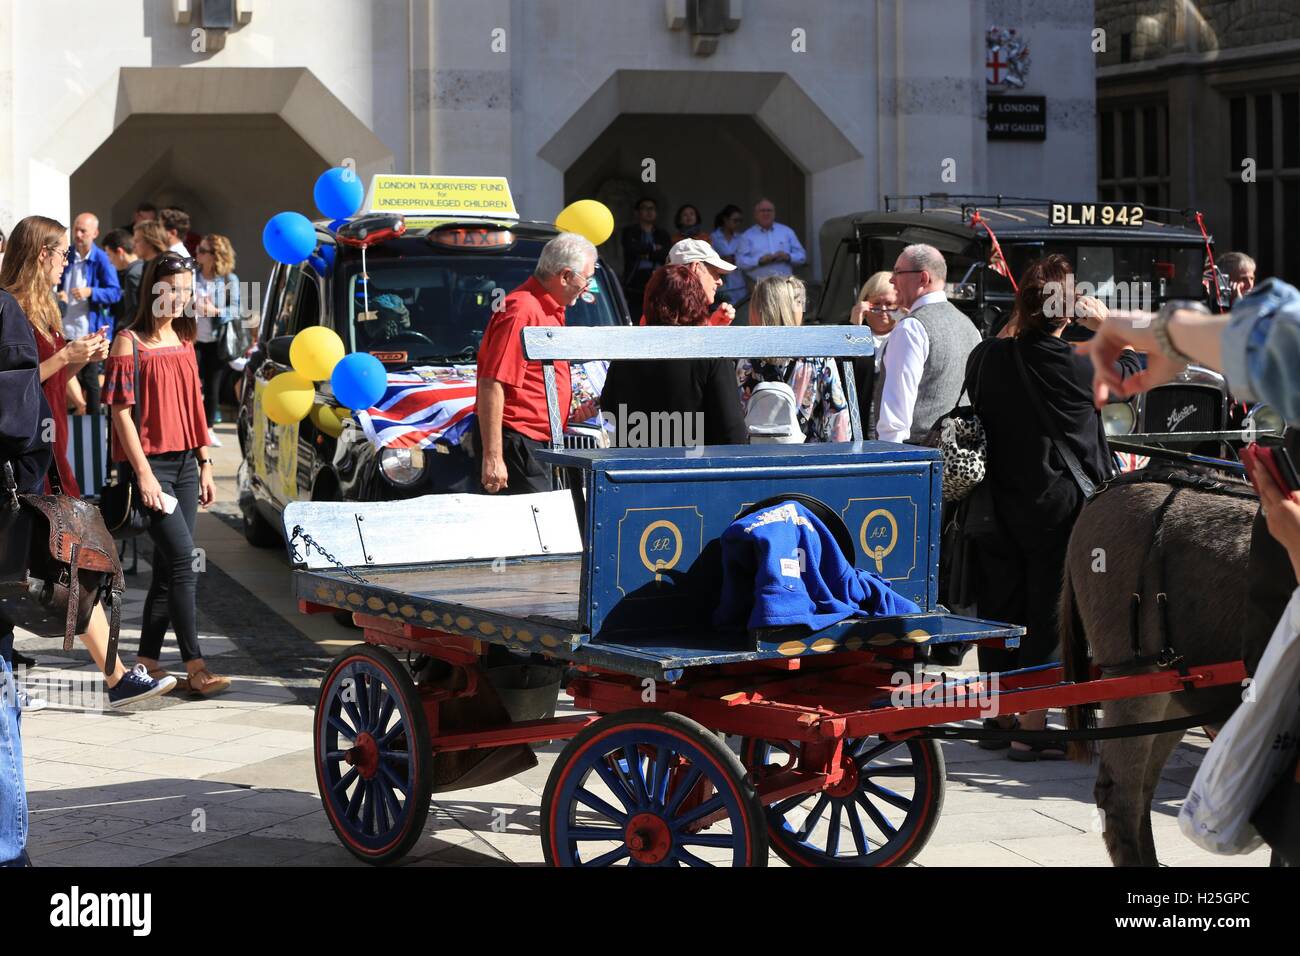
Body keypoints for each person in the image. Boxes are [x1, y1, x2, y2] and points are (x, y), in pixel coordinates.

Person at [968, 254, 1139, 759]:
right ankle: (1031, 725)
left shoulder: (985, 356)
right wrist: (1107, 323)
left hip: (992, 503)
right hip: (1057, 505)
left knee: (1000, 610)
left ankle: (999, 713)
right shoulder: (1076, 362)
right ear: (1067, 312)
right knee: (1048, 610)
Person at [0, 219, 175, 707]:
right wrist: (64, 359)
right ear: (40, 255)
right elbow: (14, 385)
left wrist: (80, 360)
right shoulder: (9, 307)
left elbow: (59, 390)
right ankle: (115, 676)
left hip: (53, 451)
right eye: (59, 256)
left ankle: (101, 674)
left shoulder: (43, 310)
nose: (65, 266)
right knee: (61, 562)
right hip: (28, 460)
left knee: (63, 561)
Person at [102, 252, 229, 696]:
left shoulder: (186, 341)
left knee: (165, 568)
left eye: (187, 292)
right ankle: (196, 665)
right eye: (172, 290)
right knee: (183, 562)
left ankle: (147, 663)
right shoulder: (127, 342)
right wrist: (143, 475)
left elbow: (195, 408)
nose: (180, 299)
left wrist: (206, 464)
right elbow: (121, 414)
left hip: (187, 468)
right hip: (151, 468)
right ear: (153, 290)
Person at [475, 233, 596, 494]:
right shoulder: (522, 310)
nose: (587, 287)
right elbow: (492, 382)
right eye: (587, 279)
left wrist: (569, 410)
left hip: (538, 443)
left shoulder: (546, 307)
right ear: (565, 276)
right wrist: (494, 457)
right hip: (520, 444)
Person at [601, 264, 748, 447]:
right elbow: (732, 431)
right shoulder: (710, 352)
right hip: (693, 469)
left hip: (635, 470)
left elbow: (609, 413)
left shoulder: (627, 353)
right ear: (696, 301)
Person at [875, 244, 981, 444]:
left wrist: (890, 465)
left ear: (923, 278)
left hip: (917, 460)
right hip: (960, 460)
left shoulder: (911, 328)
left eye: (897, 272)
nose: (891, 279)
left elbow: (895, 417)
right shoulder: (970, 327)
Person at [737, 275, 850, 443]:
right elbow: (837, 418)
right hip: (808, 459)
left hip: (755, 457)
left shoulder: (744, 357)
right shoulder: (818, 358)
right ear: (786, 308)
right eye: (799, 302)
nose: (803, 309)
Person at [58, 213, 121, 411]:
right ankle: (70, 419)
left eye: (83, 230)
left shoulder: (101, 258)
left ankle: (92, 424)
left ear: (95, 233)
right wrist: (60, 293)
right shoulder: (67, 252)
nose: (77, 234)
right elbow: (58, 281)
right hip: (65, 325)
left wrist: (91, 291)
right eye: (75, 229)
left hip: (88, 328)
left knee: (91, 379)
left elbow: (115, 292)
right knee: (64, 376)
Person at [193, 233, 240, 445]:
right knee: (192, 384)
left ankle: (208, 428)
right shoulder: (192, 276)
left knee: (212, 386)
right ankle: (192, 427)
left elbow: (236, 308)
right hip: (192, 338)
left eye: (202, 251)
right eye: (198, 249)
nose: (197, 253)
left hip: (216, 340)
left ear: (215, 255)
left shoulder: (229, 279)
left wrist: (216, 311)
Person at [850, 270, 900, 438]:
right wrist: (854, 326)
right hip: (859, 421)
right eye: (876, 304)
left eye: (889, 304)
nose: (883, 310)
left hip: (893, 420)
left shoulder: (905, 334)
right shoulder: (853, 334)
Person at [664, 238, 737, 325]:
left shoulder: (661, 309)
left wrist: (713, 324)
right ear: (696, 268)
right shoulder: (667, 313)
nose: (720, 282)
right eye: (715, 272)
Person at [736, 198, 806, 286]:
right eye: (762, 211)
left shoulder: (787, 232)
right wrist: (759, 261)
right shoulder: (747, 236)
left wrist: (788, 257)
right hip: (758, 286)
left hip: (785, 285)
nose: (766, 213)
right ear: (755, 214)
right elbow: (740, 262)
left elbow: (802, 257)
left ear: (774, 213)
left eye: (769, 210)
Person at [619, 197, 669, 320]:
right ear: (637, 212)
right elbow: (632, 249)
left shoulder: (662, 233)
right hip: (635, 279)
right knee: (635, 314)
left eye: (652, 208)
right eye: (645, 208)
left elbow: (665, 254)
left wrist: (647, 253)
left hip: (658, 277)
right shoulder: (629, 231)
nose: (649, 211)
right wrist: (653, 247)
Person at [102, 228, 143, 333]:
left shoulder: (133, 274)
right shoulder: (140, 268)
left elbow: (134, 312)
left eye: (109, 255)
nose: (110, 261)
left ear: (120, 252)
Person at [709, 205, 748, 306]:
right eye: (735, 220)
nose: (738, 224)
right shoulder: (713, 237)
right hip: (721, 284)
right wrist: (721, 259)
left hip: (739, 283)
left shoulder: (741, 237)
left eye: (740, 221)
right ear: (725, 219)